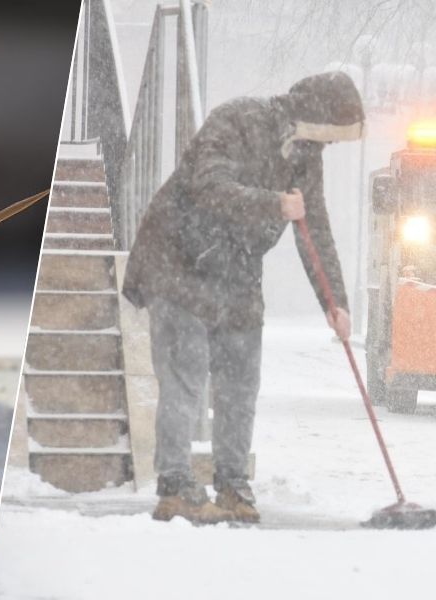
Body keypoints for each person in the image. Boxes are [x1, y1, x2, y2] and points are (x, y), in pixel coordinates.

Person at [122, 72, 364, 524]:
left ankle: (232, 483)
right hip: (180, 260)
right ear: (313, 120)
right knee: (185, 376)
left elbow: (317, 230)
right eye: (328, 138)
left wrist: (335, 302)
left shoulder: (305, 157)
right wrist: (274, 203)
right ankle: (175, 485)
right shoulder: (237, 119)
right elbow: (207, 187)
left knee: (240, 383)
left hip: (237, 269)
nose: (326, 149)